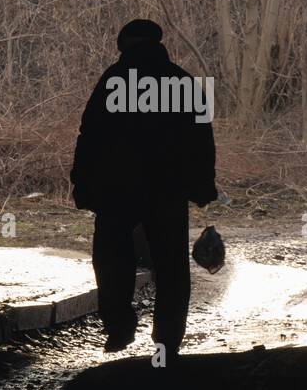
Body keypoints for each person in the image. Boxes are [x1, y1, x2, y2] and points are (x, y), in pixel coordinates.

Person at [70, 19, 217, 355]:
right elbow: (200, 139)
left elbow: (90, 136)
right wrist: (202, 185)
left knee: (111, 261)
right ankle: (167, 338)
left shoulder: (113, 80)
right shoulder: (181, 81)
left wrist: (82, 182)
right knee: (171, 266)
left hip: (116, 190)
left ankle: (120, 327)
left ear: (126, 45)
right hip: (168, 189)